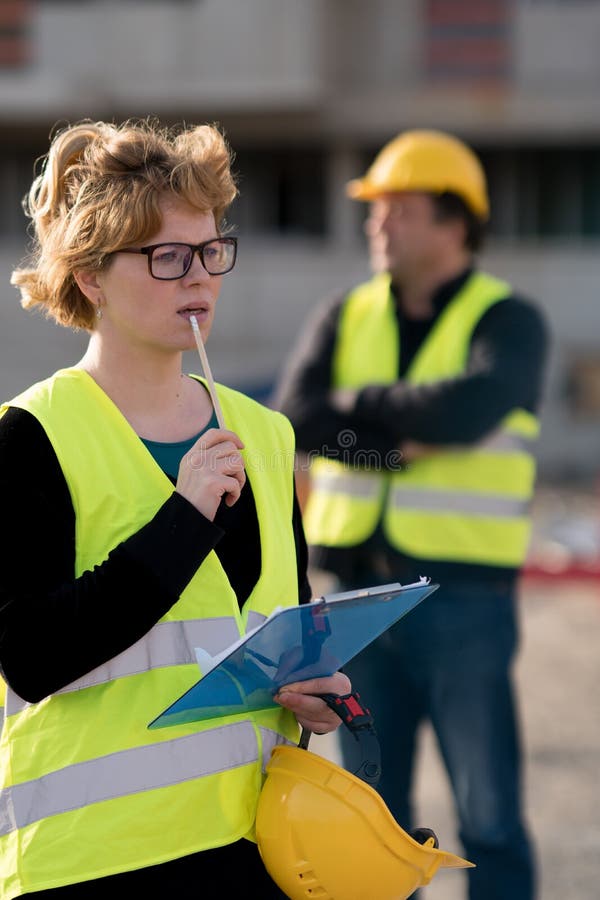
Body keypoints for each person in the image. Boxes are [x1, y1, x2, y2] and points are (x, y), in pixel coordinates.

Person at [0, 118, 350, 899]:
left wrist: (310, 686)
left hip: (253, 845)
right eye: (166, 257)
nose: (198, 277)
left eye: (211, 250)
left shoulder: (264, 432)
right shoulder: (32, 435)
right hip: (92, 860)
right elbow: (31, 658)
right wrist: (184, 518)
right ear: (91, 276)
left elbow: (276, 624)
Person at [275, 128, 550, 900]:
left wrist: (354, 412)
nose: (376, 225)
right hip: (355, 602)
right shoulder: (344, 312)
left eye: (397, 210)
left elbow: (466, 412)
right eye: (375, 211)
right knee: (370, 818)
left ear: (454, 221)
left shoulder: (510, 322)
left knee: (488, 815)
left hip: (463, 598)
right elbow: (296, 416)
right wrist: (396, 445)